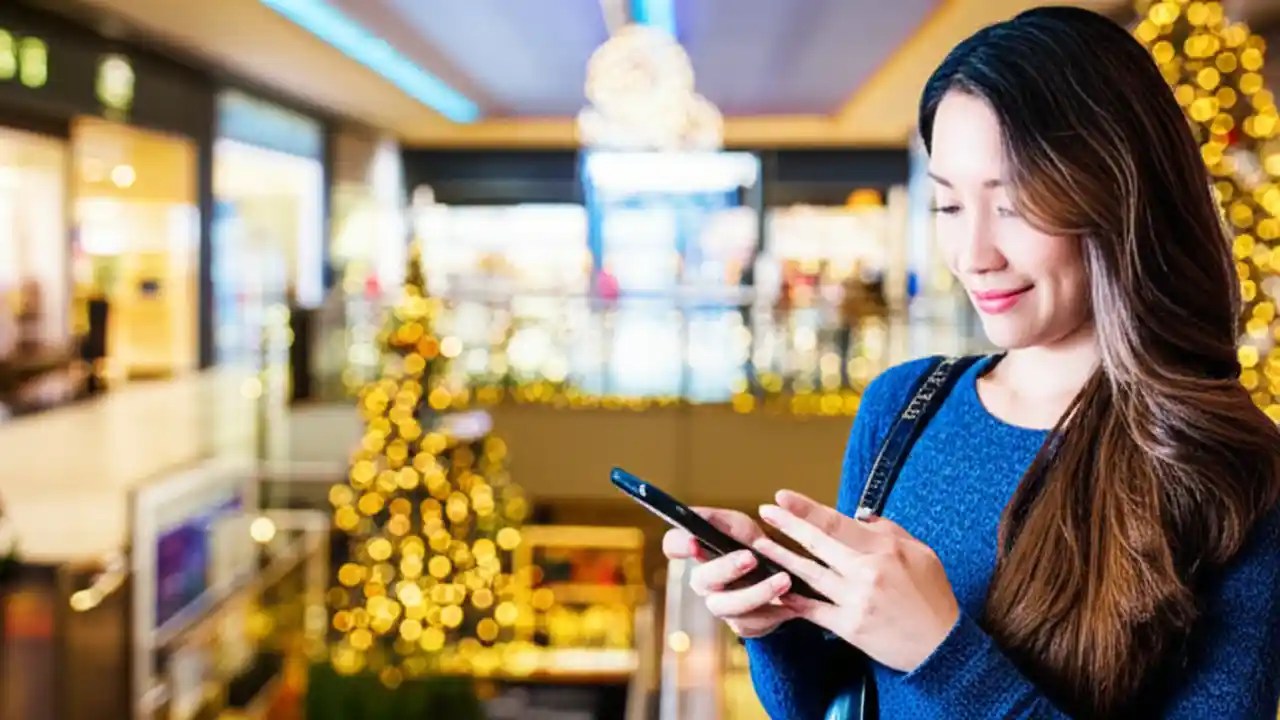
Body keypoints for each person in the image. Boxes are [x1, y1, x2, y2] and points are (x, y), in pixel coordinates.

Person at [662, 7, 1280, 719]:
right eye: (950, 205)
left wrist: (941, 652)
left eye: (1013, 204)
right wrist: (777, 619)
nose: (974, 256)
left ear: (1117, 194)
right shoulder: (904, 407)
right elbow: (832, 698)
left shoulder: (1229, 467)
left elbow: (929, 670)